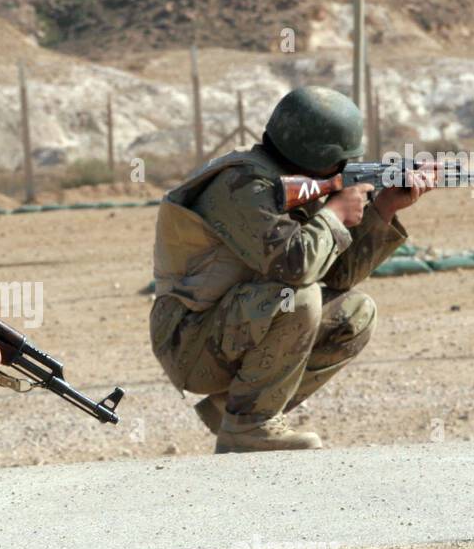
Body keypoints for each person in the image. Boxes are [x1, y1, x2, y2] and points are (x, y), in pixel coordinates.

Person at [149, 85, 437, 453]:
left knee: (355, 313)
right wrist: (334, 216)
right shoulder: (242, 183)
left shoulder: (297, 182)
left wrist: (383, 209)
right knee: (296, 297)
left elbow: (337, 277)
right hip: (188, 341)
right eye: (342, 162)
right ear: (320, 157)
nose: (346, 169)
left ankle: (237, 412)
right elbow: (296, 268)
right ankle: (251, 426)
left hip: (231, 326)